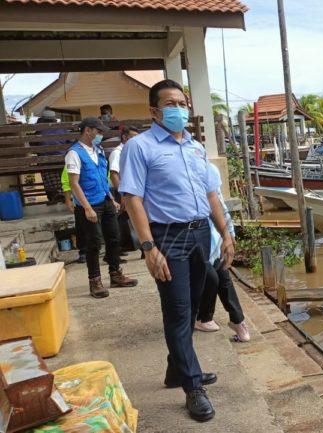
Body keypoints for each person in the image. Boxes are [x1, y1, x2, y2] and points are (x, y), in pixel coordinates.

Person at [120, 79, 234, 422]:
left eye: (182, 102)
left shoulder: (195, 148)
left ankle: (177, 370)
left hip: (201, 234)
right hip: (167, 238)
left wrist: (225, 233)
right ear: (154, 110)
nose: (179, 109)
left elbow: (212, 195)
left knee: (198, 301)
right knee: (179, 310)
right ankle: (192, 386)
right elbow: (132, 199)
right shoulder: (139, 147)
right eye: (170, 103)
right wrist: (148, 247)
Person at [66, 118, 138, 297]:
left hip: (104, 200)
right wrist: (87, 208)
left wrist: (111, 198)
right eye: (99, 132)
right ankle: (95, 281)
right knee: (94, 243)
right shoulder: (74, 153)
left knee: (114, 238)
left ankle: (115, 274)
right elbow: (74, 184)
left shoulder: (98, 150)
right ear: (88, 130)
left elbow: (102, 176)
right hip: (89, 204)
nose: (101, 135)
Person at [195, 163, 250, 343]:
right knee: (215, 277)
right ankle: (227, 320)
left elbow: (220, 205)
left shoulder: (207, 171)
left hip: (212, 238)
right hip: (200, 238)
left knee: (220, 276)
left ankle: (235, 321)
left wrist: (229, 235)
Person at [109, 126, 140, 253]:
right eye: (133, 137)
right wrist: (122, 195)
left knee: (135, 218)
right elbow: (114, 174)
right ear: (125, 137)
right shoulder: (117, 152)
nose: (137, 140)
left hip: (135, 190)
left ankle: (136, 247)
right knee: (125, 219)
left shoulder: (134, 151)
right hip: (124, 192)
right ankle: (121, 247)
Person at [35, 110, 69, 204]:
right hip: (63, 160)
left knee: (44, 166)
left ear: (43, 119)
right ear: (54, 119)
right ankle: (62, 193)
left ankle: (54, 194)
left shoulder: (40, 130)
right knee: (62, 170)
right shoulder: (63, 129)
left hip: (46, 161)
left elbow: (33, 145)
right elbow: (70, 143)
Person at [61, 168, 87, 263]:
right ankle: (83, 252)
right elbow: (66, 181)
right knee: (81, 227)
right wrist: (68, 200)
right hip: (79, 201)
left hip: (98, 197)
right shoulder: (73, 155)